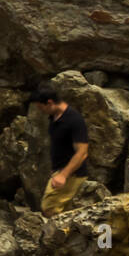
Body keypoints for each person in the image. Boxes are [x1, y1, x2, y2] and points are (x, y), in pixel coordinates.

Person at [30, 85, 90, 217]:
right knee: (61, 209)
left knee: (49, 206)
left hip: (72, 174)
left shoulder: (74, 120)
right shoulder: (54, 117)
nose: (40, 111)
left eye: (41, 107)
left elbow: (82, 152)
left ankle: (59, 236)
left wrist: (63, 175)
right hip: (59, 171)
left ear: (50, 103)